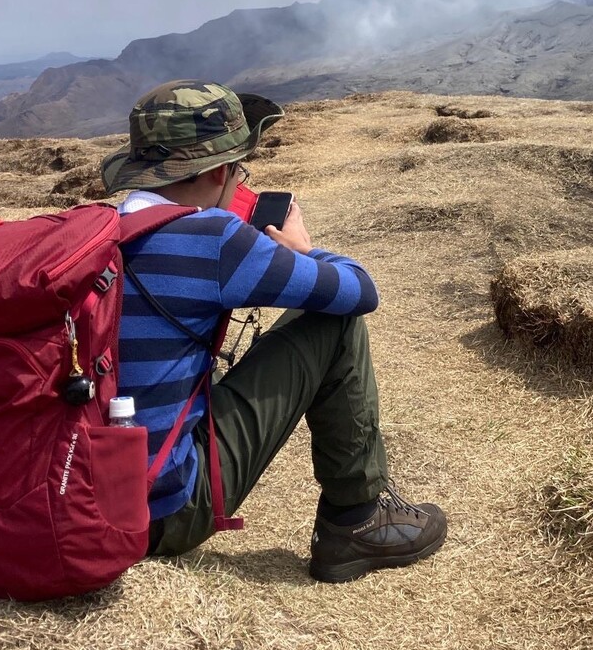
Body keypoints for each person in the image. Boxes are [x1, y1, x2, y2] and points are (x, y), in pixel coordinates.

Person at [99, 79, 447, 582]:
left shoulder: (101, 230)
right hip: (157, 513)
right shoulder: (214, 240)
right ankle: (356, 521)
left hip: (74, 486)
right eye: (239, 171)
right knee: (333, 322)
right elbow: (359, 291)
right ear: (219, 170)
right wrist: (302, 250)